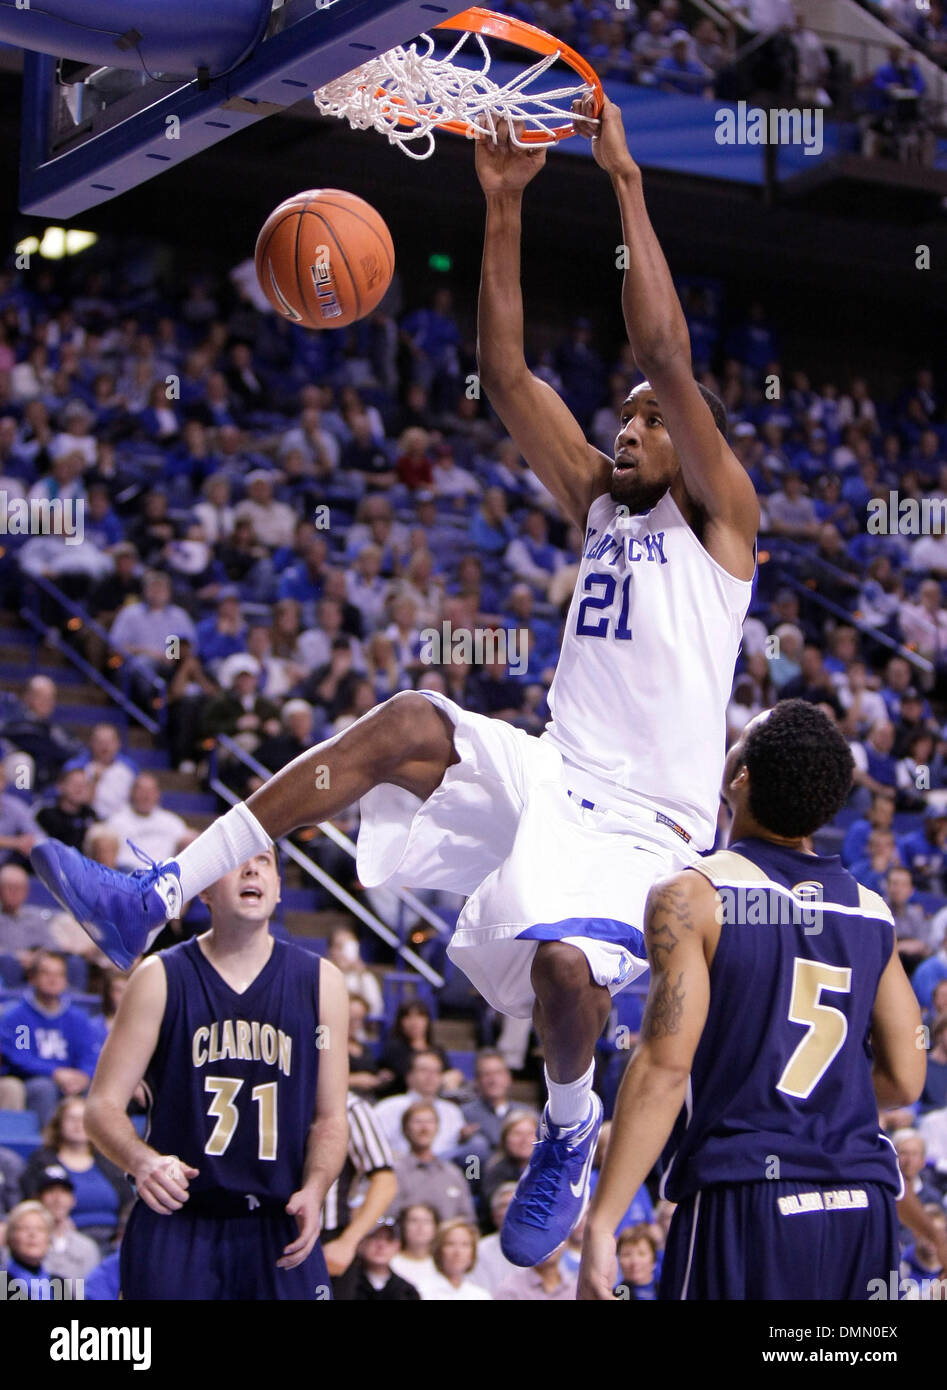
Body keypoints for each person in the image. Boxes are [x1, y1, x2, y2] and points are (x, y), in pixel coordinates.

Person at [31, 100, 758, 1266]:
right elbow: (502, 372)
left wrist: (624, 183)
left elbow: (666, 358)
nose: (625, 429)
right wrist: (503, 206)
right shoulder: (596, 504)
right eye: (620, 419)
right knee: (408, 719)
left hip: (648, 826)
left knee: (563, 964)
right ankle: (157, 888)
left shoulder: (722, 523)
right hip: (555, 771)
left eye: (644, 423)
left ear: (692, 444)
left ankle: (568, 1126)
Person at [579, 701, 925, 1300]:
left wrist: (604, 1223)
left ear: (740, 776)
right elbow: (906, 1078)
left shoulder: (692, 895)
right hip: (862, 1203)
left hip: (746, 1196)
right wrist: (817, 1105)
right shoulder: (871, 912)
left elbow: (664, 1067)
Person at [83, 846, 348, 1299]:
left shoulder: (323, 982)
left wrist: (317, 1187)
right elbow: (100, 1107)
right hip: (178, 1218)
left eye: (264, 861)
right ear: (204, 888)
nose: (251, 869)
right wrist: (141, 1161)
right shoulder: (159, 977)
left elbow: (330, 1118)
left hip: (278, 1219)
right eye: (235, 860)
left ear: (279, 889)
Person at [0, 952, 101, 1126]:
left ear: (66, 980)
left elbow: (89, 1054)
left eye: (59, 974)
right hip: (31, 1080)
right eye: (46, 973)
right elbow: (21, 1057)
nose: (53, 980)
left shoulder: (78, 1018)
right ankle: (47, 1139)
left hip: (71, 1080)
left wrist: (84, 1075)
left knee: (95, 1088)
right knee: (44, 1087)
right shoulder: (18, 1017)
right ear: (32, 978)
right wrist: (55, 1073)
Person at [22, 1098, 130, 1251]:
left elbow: (128, 1202)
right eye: (71, 1119)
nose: (78, 1125)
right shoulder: (42, 1160)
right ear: (59, 1124)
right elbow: (32, 1201)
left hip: (114, 1239)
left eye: (84, 1119)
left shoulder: (110, 1161)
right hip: (65, 1238)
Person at [320, 1090, 397, 1298]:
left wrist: (347, 1242)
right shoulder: (280, 1094)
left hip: (328, 1237)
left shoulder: (351, 1107)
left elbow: (385, 1182)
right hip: (272, 1232)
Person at [390, 1102, 476, 1222]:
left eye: (430, 1122)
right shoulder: (394, 1174)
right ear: (405, 1129)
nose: (424, 1128)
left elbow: (467, 1218)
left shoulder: (453, 1174)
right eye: (417, 1122)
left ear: (437, 1128)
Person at [373, 1051, 466, 1160]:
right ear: (409, 1076)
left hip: (444, 1166)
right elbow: (374, 1147)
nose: (430, 1076)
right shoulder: (387, 1108)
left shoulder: (452, 1111)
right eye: (423, 1070)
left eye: (436, 1072)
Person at [35, 1164, 101, 1282]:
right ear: (38, 1198)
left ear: (73, 1200)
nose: (58, 1199)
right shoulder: (28, 1243)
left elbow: (91, 1289)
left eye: (64, 1192)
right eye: (50, 1191)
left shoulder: (86, 1247)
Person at [349, 1217, 422, 1301]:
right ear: (362, 1242)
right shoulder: (345, 1285)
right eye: (375, 1237)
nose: (381, 1245)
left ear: (397, 1246)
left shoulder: (407, 1292)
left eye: (389, 1239)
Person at [422, 1218, 492, 1301]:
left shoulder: (481, 1296)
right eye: (450, 1244)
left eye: (465, 1244)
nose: (458, 1252)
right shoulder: (423, 1292)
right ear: (438, 1250)